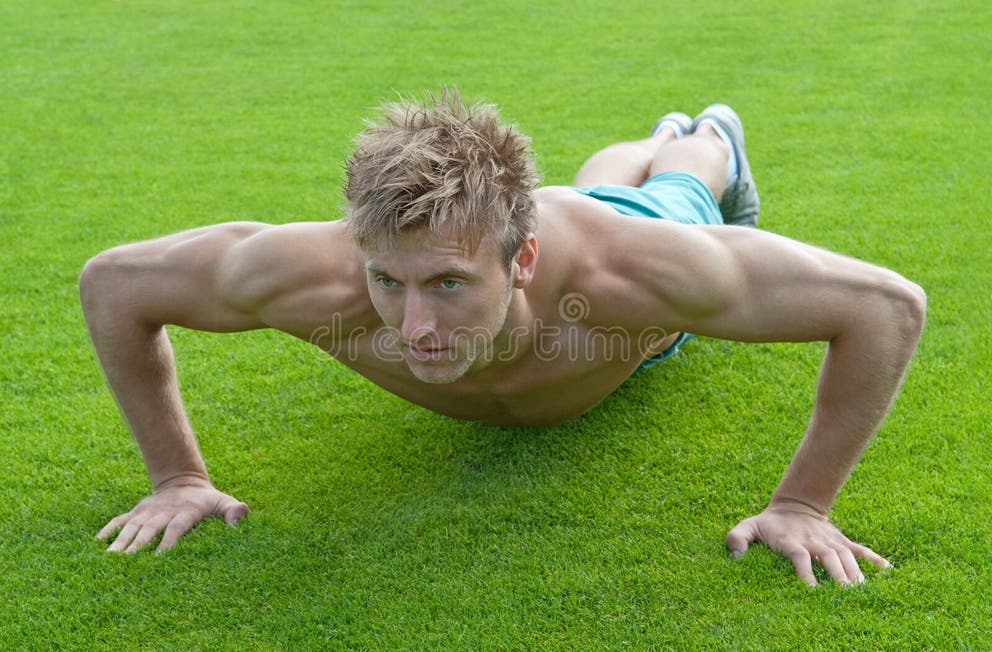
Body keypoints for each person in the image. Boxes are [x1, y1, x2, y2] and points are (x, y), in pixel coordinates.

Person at [80, 89, 925, 586]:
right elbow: (114, 284)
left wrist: (803, 504)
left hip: (629, 287)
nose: (413, 329)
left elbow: (886, 306)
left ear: (521, 260)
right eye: (387, 282)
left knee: (674, 194)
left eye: (447, 284)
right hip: (543, 235)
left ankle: (704, 138)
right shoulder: (299, 276)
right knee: (587, 186)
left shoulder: (642, 277)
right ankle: (661, 134)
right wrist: (178, 477)